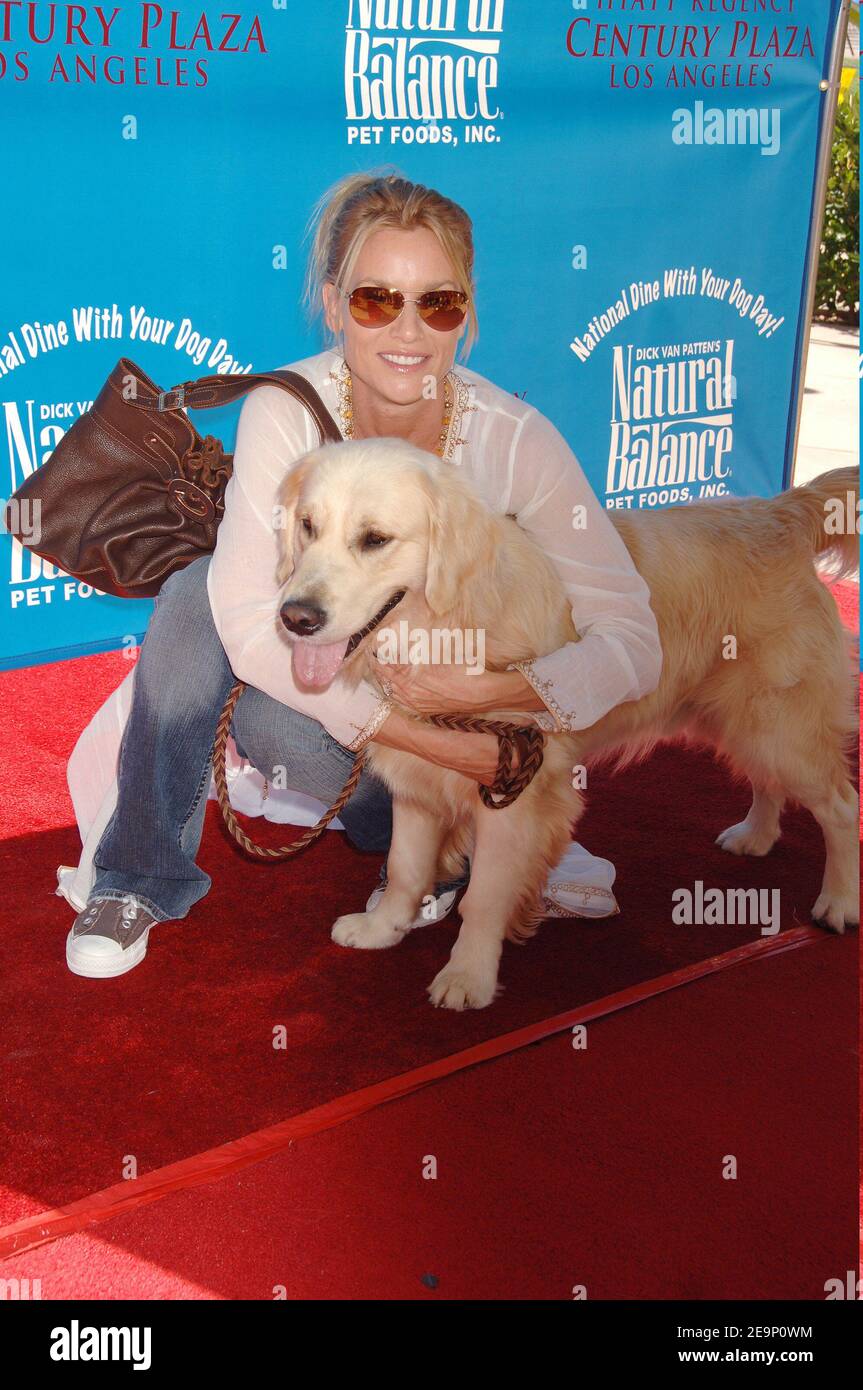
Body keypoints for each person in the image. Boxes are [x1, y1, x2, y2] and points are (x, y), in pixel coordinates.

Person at [61, 170, 663, 978]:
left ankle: (472, 845)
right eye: (376, 299)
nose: (406, 330)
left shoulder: (513, 440)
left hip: (475, 733)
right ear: (333, 297)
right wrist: (417, 736)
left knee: (305, 728)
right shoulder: (287, 408)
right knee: (196, 606)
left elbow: (632, 639)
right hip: (379, 731)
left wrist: (498, 715)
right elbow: (243, 619)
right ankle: (137, 877)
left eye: (437, 302)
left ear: (466, 311)